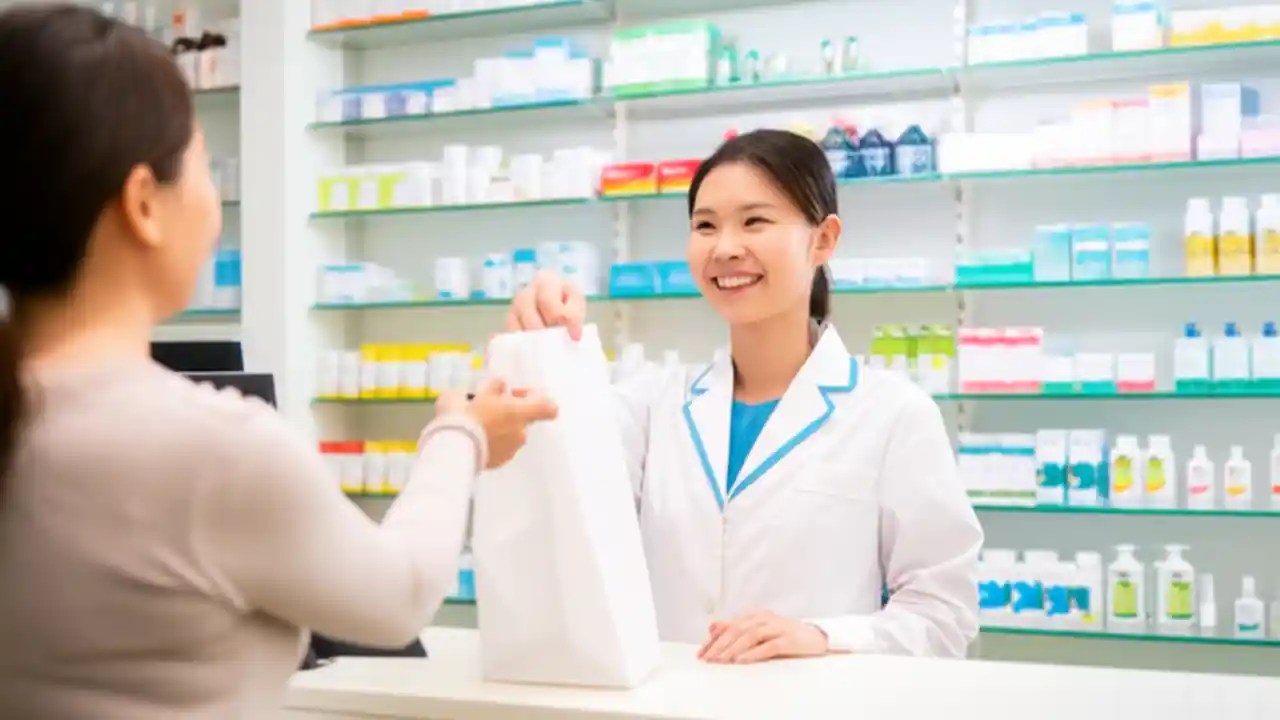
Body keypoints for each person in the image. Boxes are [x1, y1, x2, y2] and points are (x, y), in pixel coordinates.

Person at [0, 5, 556, 718]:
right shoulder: (210, 450)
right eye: (201, 164)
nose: (212, 204)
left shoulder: (30, 420)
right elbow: (400, 599)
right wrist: (462, 433)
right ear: (143, 203)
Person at [508, 128, 984, 663]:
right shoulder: (648, 408)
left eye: (755, 221)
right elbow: (553, 498)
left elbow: (943, 613)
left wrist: (823, 637)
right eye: (705, 225)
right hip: (667, 697)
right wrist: (544, 349)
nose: (725, 248)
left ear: (823, 240)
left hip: (812, 701)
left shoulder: (895, 415)